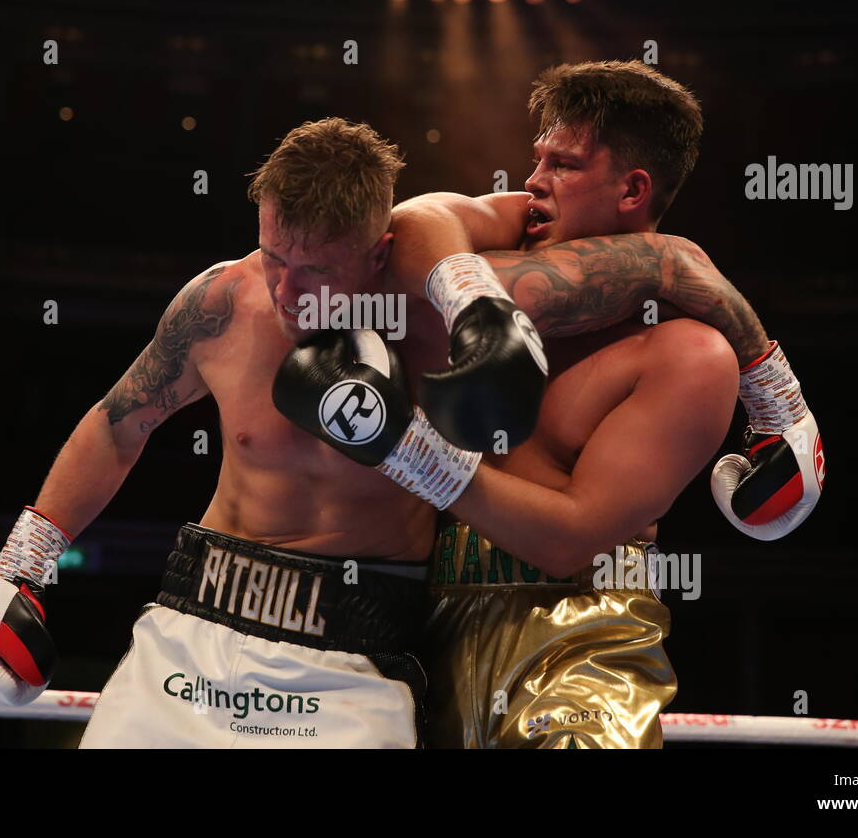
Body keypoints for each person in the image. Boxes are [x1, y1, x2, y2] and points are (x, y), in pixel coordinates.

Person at [277, 61, 825, 748]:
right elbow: (414, 223)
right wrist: (659, 262)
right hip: (416, 631)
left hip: (581, 642)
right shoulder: (501, 255)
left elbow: (566, 539)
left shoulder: (686, 355)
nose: (531, 181)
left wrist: (399, 445)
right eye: (536, 158)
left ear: (633, 189)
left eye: (562, 165)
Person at [0, 118, 547, 748]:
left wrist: (666, 258)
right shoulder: (223, 303)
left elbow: (535, 214)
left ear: (379, 252)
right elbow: (116, 426)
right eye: (274, 256)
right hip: (194, 625)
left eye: (316, 269)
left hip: (354, 654)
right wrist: (20, 566)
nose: (287, 290)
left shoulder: (428, 310)